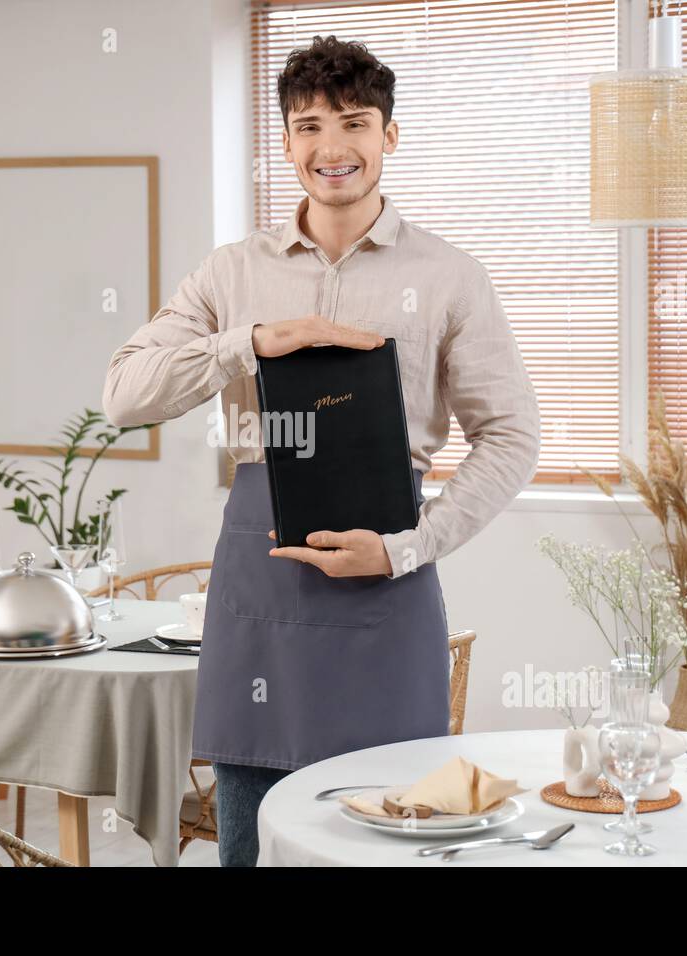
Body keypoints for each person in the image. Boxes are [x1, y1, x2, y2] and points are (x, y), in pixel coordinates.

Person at [102, 35, 540, 866]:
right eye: (308, 126)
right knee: (247, 842)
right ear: (287, 140)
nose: (331, 148)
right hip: (259, 572)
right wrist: (254, 342)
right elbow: (125, 394)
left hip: (389, 577)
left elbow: (513, 435)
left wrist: (408, 546)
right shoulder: (231, 274)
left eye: (354, 123)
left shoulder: (450, 276)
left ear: (390, 136)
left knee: (393, 836)